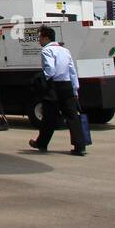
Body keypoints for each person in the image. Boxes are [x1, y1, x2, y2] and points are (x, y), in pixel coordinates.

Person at [30, 26, 86, 156]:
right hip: (67, 86)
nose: (39, 41)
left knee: (49, 117)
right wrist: (75, 89)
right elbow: (72, 71)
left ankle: (42, 143)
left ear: (46, 37)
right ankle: (80, 145)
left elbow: (50, 70)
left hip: (53, 87)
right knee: (72, 117)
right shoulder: (65, 51)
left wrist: (41, 78)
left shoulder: (46, 51)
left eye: (40, 38)